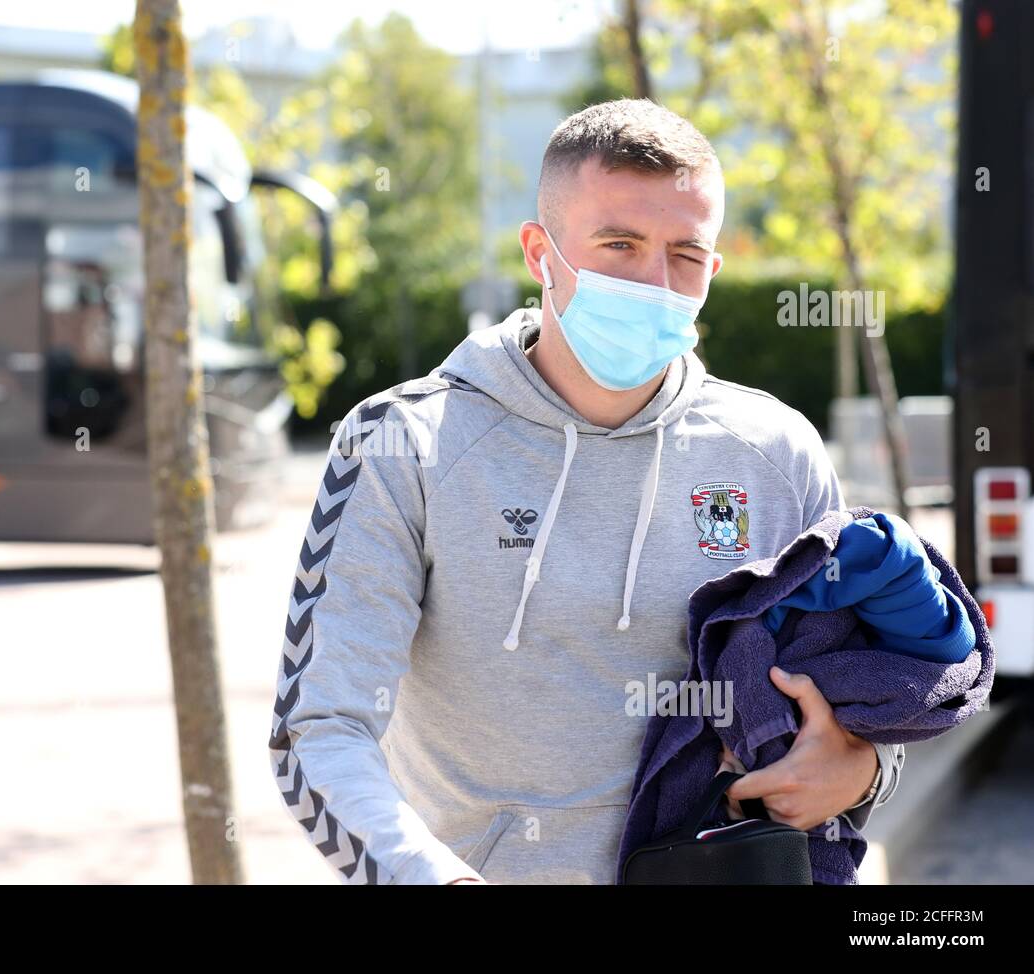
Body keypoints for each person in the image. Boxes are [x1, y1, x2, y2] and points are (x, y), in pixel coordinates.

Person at [269, 98, 904, 885]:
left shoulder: (777, 453)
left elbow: (862, 703)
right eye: (619, 244)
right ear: (541, 252)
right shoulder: (403, 443)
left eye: (685, 254)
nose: (652, 281)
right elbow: (319, 731)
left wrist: (864, 772)